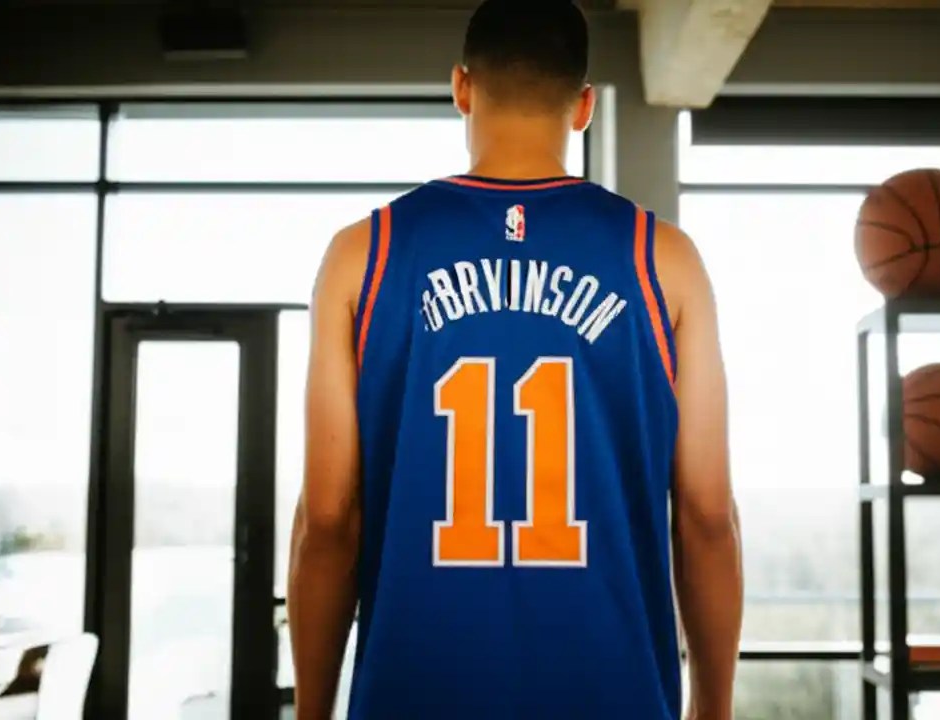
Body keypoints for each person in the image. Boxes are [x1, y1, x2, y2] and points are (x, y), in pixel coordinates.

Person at [287, 1, 742, 718]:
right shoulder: (663, 260)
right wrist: (713, 708)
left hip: (414, 692)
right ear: (585, 105)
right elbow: (706, 516)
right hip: (614, 693)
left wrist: (313, 710)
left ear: (461, 88)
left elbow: (329, 520)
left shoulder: (362, 256)